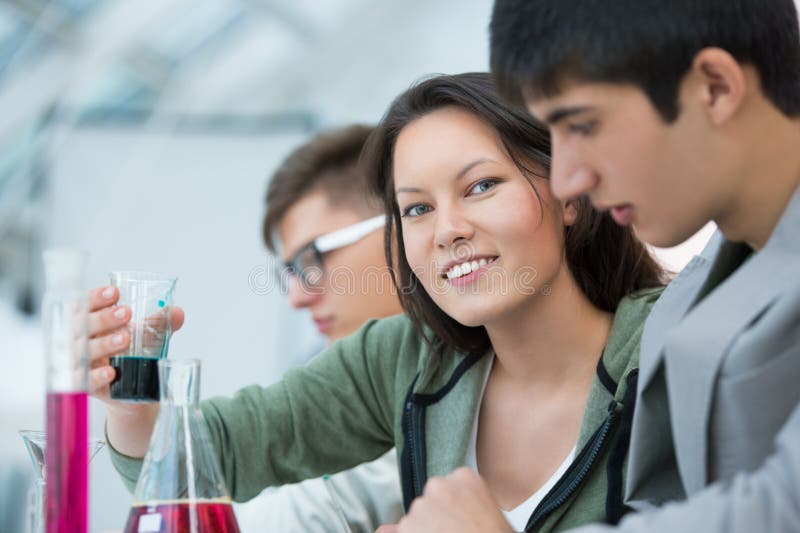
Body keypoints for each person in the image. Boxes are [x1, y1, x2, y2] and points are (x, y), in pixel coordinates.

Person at [92, 73, 666, 532]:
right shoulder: (404, 358)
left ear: (569, 193)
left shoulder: (672, 348)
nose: (447, 230)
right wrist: (128, 397)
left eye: (481, 186)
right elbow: (200, 458)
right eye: (417, 209)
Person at [389, 1, 800, 531]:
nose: (566, 180)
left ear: (715, 87)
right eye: (416, 209)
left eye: (583, 125)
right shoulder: (687, 302)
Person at [92, 125, 406, 532]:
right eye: (290, 272)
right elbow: (221, 452)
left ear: (400, 223)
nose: (297, 297)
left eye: (311, 259)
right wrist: (130, 408)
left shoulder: (454, 370)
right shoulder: (360, 382)